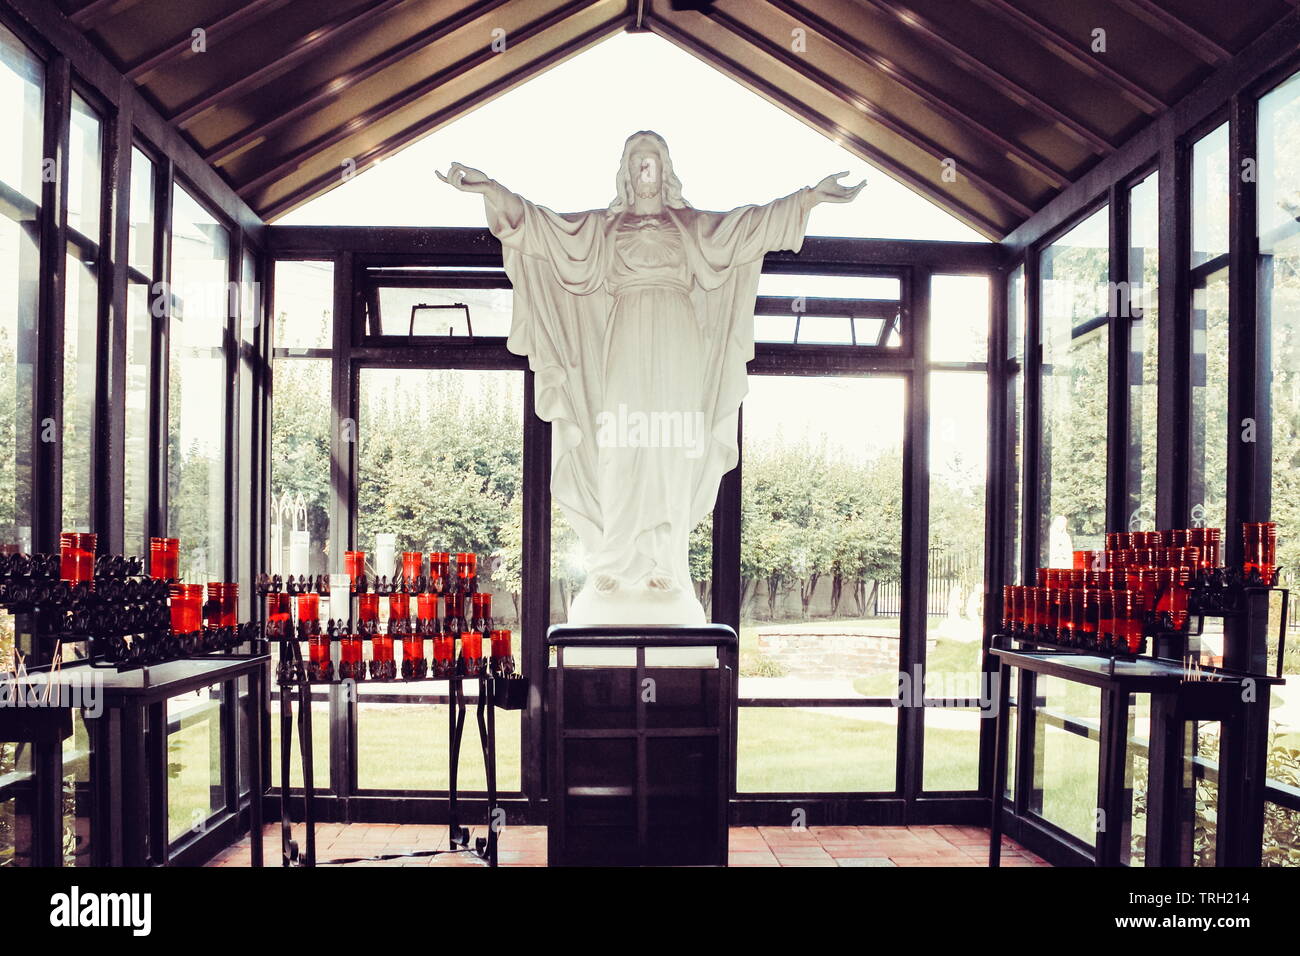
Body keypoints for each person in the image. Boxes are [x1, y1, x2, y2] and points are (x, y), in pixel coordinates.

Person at [439, 130, 864, 624]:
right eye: (637, 161)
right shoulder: (603, 227)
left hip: (677, 335)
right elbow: (541, 226)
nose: (646, 170)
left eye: (653, 161)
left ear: (666, 170)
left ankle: (667, 563)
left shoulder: (692, 226)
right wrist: (491, 189)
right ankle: (613, 561)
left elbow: (752, 225)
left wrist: (810, 196)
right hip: (626, 329)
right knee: (618, 446)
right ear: (625, 170)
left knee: (670, 448)